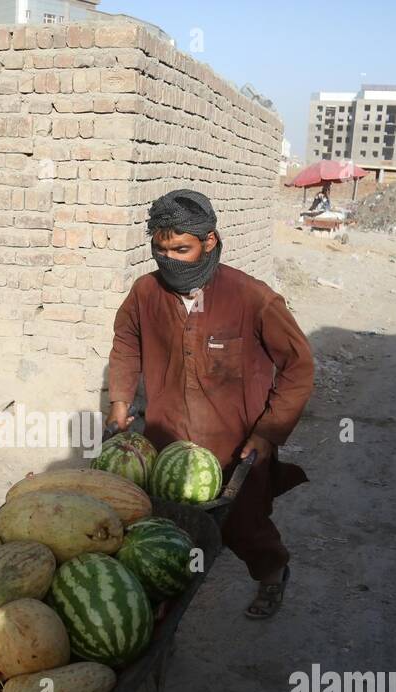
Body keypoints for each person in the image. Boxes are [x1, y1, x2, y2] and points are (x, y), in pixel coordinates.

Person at [107, 190, 314, 619]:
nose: (170, 260)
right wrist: (121, 400)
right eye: (160, 250)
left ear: (210, 241)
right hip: (166, 442)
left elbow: (299, 366)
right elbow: (126, 343)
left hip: (236, 448)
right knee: (161, 531)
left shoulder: (252, 298)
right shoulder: (145, 293)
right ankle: (162, 611)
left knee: (245, 527)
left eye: (181, 249)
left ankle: (273, 575)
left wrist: (268, 431)